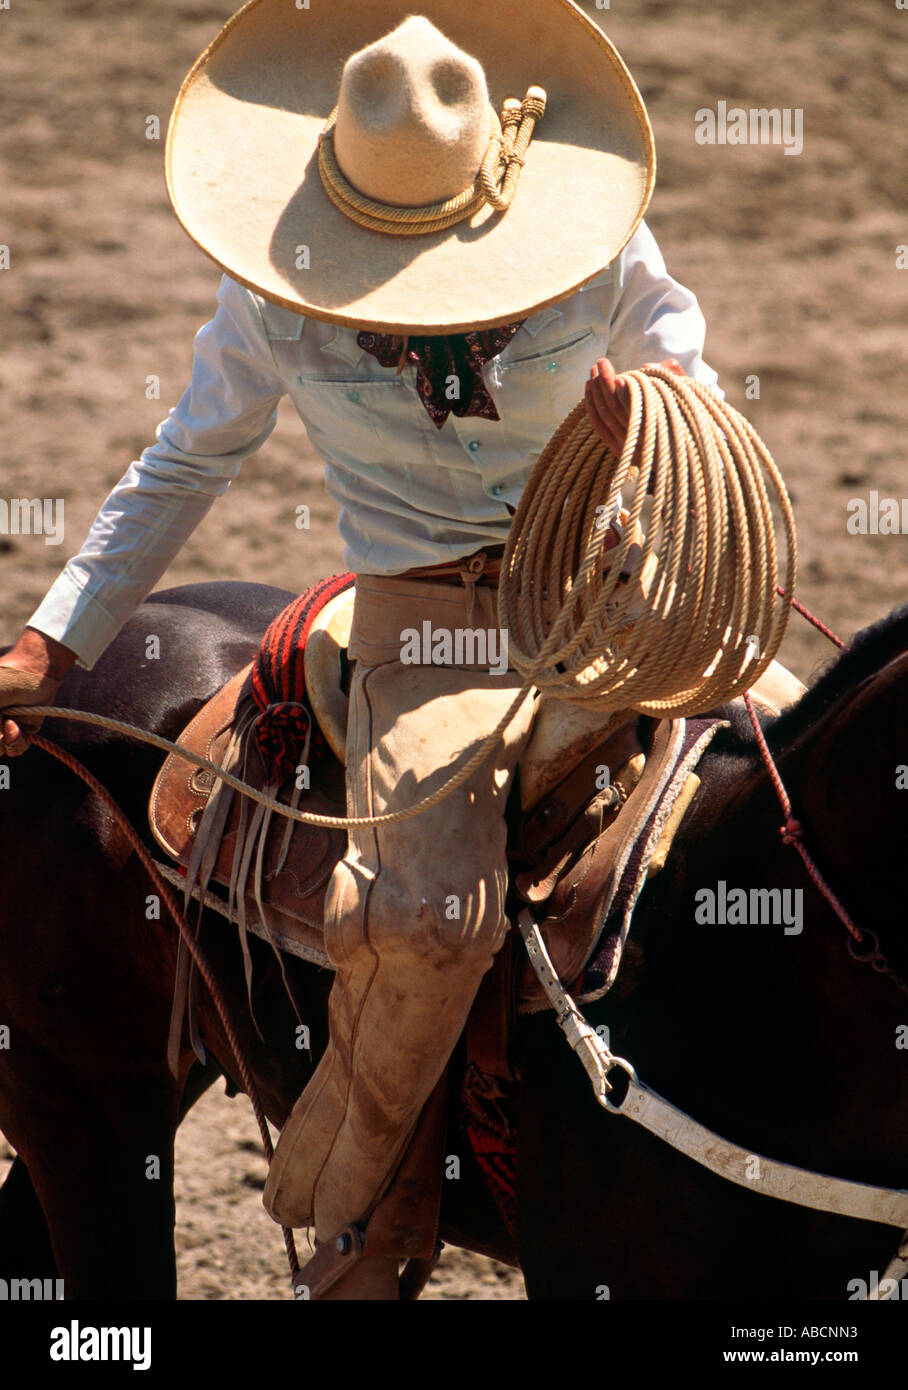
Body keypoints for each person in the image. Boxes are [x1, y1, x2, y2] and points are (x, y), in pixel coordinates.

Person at [0, 4, 801, 1297]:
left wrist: (649, 416)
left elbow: (686, 370)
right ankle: (364, 1210)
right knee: (431, 914)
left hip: (601, 586)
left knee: (801, 764)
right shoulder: (275, 288)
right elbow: (185, 458)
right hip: (422, 631)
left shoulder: (593, 245)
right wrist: (55, 639)